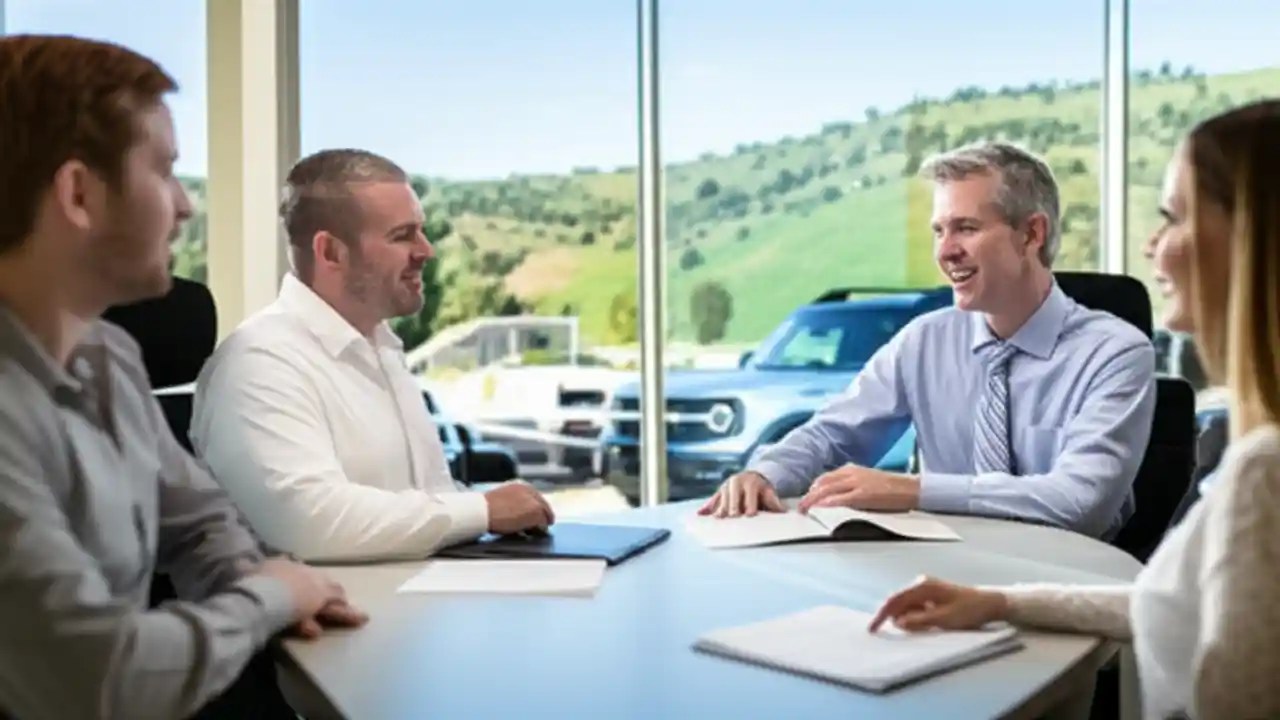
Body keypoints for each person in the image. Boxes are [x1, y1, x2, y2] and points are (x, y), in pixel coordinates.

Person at [869, 101, 1280, 719]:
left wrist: (912, 489)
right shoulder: (1257, 460)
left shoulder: (1263, 474)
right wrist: (1001, 603)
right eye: (938, 231)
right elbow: (1174, 600)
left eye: (1173, 216)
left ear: (1248, 239)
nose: (1152, 242)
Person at [0, 35, 364, 720]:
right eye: (164, 170)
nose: (185, 205)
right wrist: (273, 597)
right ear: (78, 193)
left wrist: (252, 581)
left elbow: (196, 521)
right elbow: (99, 680)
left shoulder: (106, 355)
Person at [699, 141, 1156, 540]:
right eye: (939, 230)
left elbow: (1079, 504)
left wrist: (912, 489)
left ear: (1031, 234)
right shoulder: (924, 341)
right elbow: (834, 435)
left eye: (966, 228)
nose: (945, 251)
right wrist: (765, 473)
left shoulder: (1114, 353)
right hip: (947, 575)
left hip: (1071, 578)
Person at [191, 149, 555, 562]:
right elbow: (308, 523)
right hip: (331, 623)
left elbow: (432, 501)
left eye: (421, 231)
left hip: (416, 608)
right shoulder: (259, 363)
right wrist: (484, 510)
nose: (426, 251)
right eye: (403, 236)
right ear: (331, 252)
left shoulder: (381, 349)